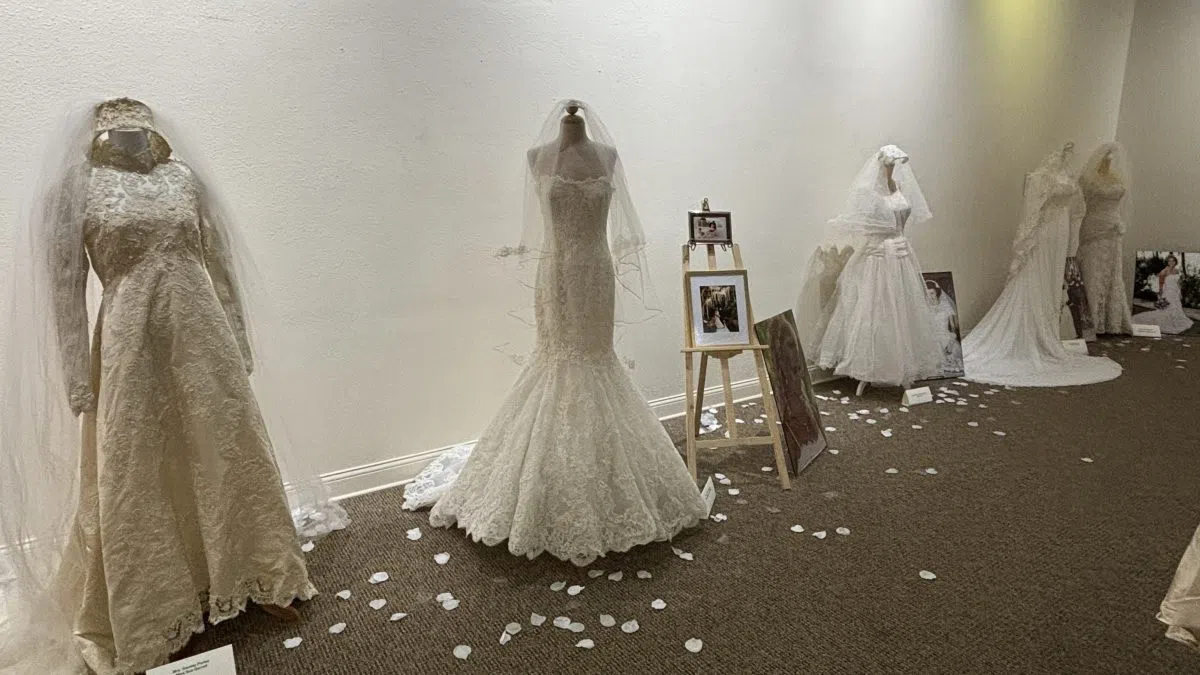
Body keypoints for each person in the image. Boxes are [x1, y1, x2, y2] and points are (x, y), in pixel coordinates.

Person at [1133, 254, 1193, 334]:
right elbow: (1160, 283)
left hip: (1175, 292)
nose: (1171, 262)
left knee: (1176, 307)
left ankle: (1176, 320)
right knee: (1167, 308)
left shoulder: (1176, 270)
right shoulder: (1165, 270)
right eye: (1169, 261)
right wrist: (1160, 294)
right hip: (1168, 292)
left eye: (1173, 261)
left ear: (1175, 262)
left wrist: (1180, 293)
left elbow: (1178, 283)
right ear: (1167, 262)